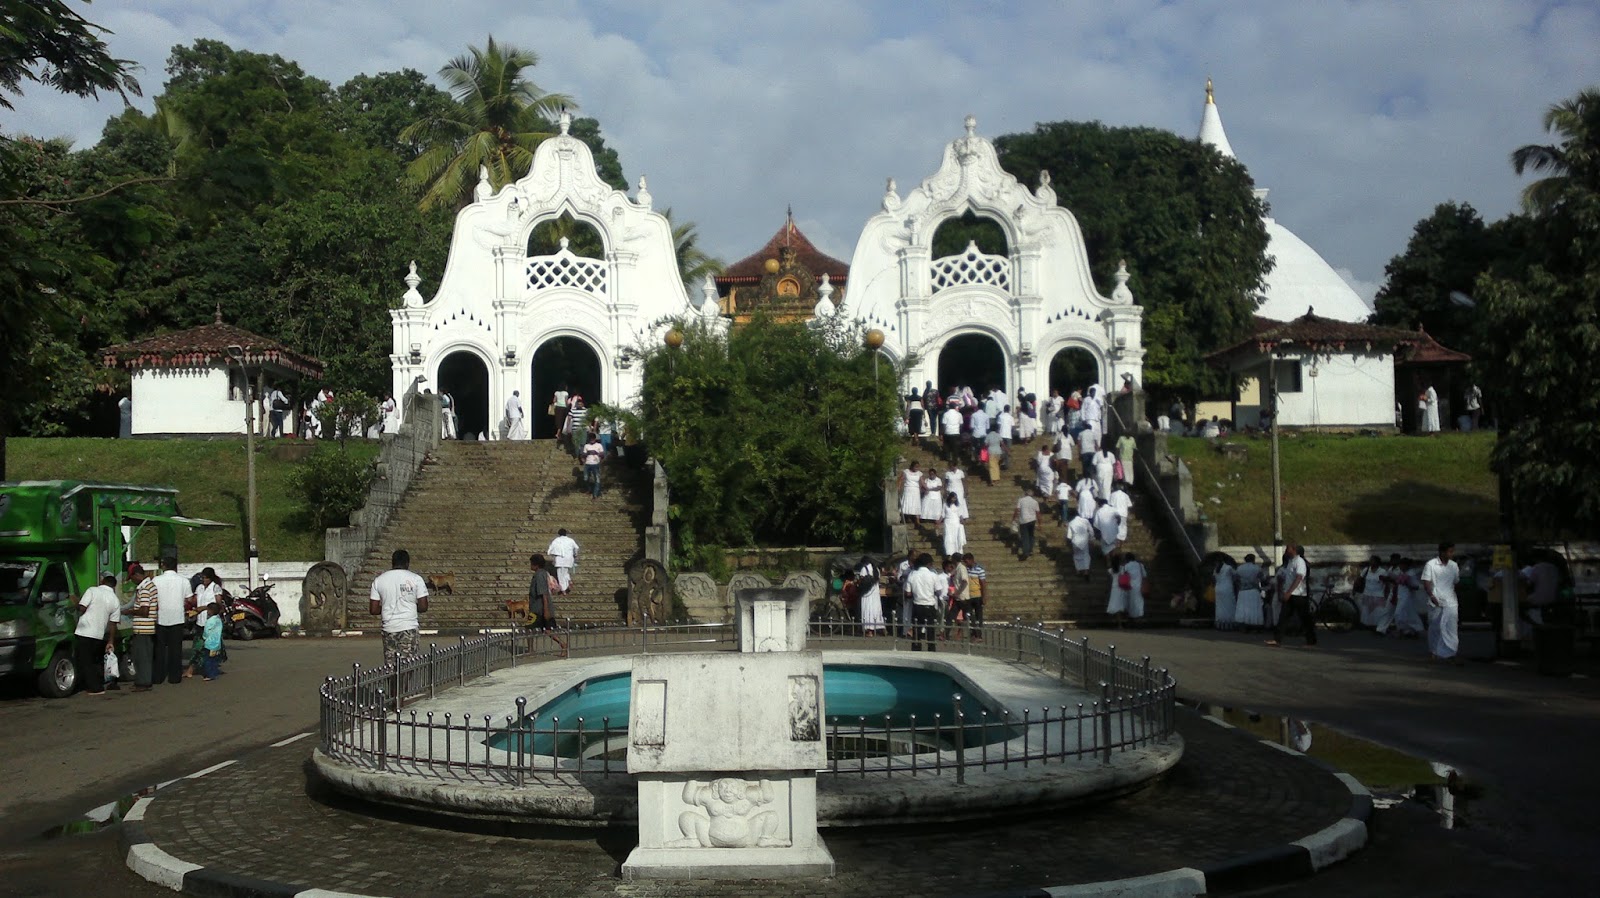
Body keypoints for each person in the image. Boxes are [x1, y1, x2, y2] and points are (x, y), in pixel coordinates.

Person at [369, 549, 429, 666]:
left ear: (392, 562)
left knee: (391, 666)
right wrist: (409, 605)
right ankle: (404, 685)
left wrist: (388, 606)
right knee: (407, 665)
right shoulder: (416, 579)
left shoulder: (379, 580)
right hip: (408, 627)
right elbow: (423, 606)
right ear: (407, 563)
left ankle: (394, 685)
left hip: (389, 629)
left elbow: (373, 609)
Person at [73, 572, 121, 696]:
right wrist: (110, 641)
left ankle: (95, 688)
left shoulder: (92, 590)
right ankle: (96, 682)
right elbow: (113, 623)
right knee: (93, 661)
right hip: (99, 634)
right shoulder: (115, 600)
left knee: (85, 661)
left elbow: (82, 608)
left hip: (85, 631)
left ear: (103, 582)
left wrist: (75, 602)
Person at [152, 557, 191, 686]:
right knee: (176, 650)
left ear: (163, 565)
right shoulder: (183, 581)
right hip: (177, 618)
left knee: (159, 649)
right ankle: (174, 677)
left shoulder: (156, 580)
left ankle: (158, 676)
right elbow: (189, 599)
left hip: (161, 618)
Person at [1268, 544, 1315, 647]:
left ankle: (1311, 641)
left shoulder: (1299, 562)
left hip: (1299, 594)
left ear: (1294, 550)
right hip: (1290, 593)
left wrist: (1289, 592)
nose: (1286, 550)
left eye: (1287, 548)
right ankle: (1277, 639)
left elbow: (1299, 578)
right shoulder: (1290, 562)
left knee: (1305, 618)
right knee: (1283, 617)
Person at [1423, 543, 1461, 663]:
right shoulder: (1431, 564)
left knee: (1451, 628)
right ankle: (1433, 652)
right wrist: (1431, 595)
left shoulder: (1454, 565)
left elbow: (1455, 582)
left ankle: (1451, 653)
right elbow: (1426, 582)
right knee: (1435, 627)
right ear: (1442, 552)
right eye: (1449, 552)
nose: (1451, 554)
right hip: (1436, 601)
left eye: (1452, 552)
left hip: (1451, 602)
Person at [526, 554, 568, 656]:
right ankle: (563, 644)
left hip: (538, 608)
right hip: (541, 607)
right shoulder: (543, 573)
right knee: (547, 630)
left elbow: (543, 593)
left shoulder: (539, 575)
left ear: (536, 565)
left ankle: (530, 650)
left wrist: (546, 610)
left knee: (529, 628)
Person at [187, 568, 223, 679]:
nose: (203, 580)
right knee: (197, 647)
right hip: (200, 622)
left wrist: (204, 608)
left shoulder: (215, 588)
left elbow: (218, 605)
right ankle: (190, 670)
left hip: (211, 622)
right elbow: (194, 601)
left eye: (205, 578)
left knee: (210, 649)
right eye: (202, 578)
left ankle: (211, 671)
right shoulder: (199, 588)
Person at [125, 564, 156, 691]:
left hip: (143, 627)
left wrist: (130, 612)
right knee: (143, 655)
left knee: (142, 656)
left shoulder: (144, 589)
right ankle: (143, 680)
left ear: (137, 575)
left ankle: (143, 682)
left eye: (132, 578)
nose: (132, 581)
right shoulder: (150, 586)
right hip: (147, 626)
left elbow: (144, 610)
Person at [905, 553, 941, 652]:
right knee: (930, 630)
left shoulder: (912, 575)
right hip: (930, 605)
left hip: (917, 605)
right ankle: (931, 649)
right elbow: (939, 591)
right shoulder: (933, 575)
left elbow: (908, 593)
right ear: (929, 564)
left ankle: (916, 649)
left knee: (916, 629)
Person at [1357, 555, 1391, 632]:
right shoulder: (1366, 570)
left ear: (1377, 562)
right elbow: (1360, 578)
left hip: (1378, 595)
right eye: (1370, 560)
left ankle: (1377, 626)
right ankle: (1366, 625)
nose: (1371, 562)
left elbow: (1387, 584)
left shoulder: (1382, 572)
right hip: (1367, 593)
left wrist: (1386, 594)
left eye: (1372, 561)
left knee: (1378, 612)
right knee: (1366, 611)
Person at [1233, 554, 1265, 629]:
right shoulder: (1257, 568)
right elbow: (1262, 578)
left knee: (1244, 608)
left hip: (1243, 591)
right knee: (1254, 608)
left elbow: (1236, 579)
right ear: (1253, 559)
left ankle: (1245, 625)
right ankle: (1255, 625)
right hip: (1253, 590)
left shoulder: (1239, 568)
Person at [856, 556, 885, 636]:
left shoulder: (864, 569)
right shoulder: (876, 570)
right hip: (875, 593)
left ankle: (869, 631)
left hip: (867, 593)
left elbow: (861, 580)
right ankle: (881, 628)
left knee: (867, 610)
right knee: (876, 609)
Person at [546, 529, 580, 594]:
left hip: (560, 559)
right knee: (565, 572)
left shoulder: (556, 540)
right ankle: (568, 581)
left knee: (560, 574)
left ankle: (563, 589)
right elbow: (576, 548)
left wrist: (552, 553)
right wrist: (575, 554)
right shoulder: (570, 540)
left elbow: (550, 549)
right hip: (569, 559)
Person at [1011, 485, 1041, 560]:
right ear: (1032, 494)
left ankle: (1026, 552)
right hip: (1032, 520)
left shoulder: (1021, 500)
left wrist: (1014, 519)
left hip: (1023, 520)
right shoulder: (1035, 502)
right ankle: (1030, 550)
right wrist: (1040, 523)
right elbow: (1038, 513)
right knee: (1031, 535)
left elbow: (1017, 510)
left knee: (1025, 537)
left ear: (1025, 493)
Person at [962, 552, 986, 639]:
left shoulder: (980, 569)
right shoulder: (966, 570)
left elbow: (983, 584)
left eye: (967, 562)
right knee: (969, 616)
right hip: (968, 596)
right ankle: (973, 633)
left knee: (978, 616)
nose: (966, 564)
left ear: (972, 560)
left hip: (977, 596)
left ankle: (979, 635)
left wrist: (984, 597)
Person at [199, 599, 224, 682]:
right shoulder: (218, 620)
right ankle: (214, 672)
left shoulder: (209, 621)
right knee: (214, 660)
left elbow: (206, 632)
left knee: (208, 660)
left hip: (209, 644)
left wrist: (204, 638)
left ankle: (210, 675)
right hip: (217, 644)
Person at [1066, 512, 1094, 581]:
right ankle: (1086, 572)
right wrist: (1091, 538)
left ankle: (1078, 571)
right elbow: (1091, 531)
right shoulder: (1085, 521)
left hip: (1075, 541)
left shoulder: (1071, 523)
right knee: (1085, 555)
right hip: (1084, 540)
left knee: (1076, 556)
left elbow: (1069, 536)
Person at [940, 492, 966, 558]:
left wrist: (962, 520)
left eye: (955, 498)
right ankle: (949, 552)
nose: (954, 499)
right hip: (948, 523)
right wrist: (938, 521)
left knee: (956, 537)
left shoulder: (958, 505)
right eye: (953, 498)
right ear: (950, 498)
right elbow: (943, 514)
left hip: (956, 523)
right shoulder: (945, 505)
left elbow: (960, 514)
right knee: (948, 537)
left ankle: (957, 553)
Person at [1213, 557, 1237, 631]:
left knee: (1220, 607)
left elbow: (1214, 579)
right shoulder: (1228, 568)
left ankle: (1220, 623)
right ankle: (1230, 622)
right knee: (1229, 605)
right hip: (1227, 588)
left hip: (1218, 588)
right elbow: (1236, 575)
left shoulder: (1216, 569)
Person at [581, 432, 605, 499]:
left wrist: (596, 453)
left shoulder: (599, 445)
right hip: (588, 464)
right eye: (590, 438)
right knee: (585, 478)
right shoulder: (586, 446)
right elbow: (583, 455)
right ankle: (589, 488)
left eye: (593, 438)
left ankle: (595, 494)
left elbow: (602, 454)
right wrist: (584, 457)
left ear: (595, 439)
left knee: (597, 479)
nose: (591, 440)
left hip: (595, 464)